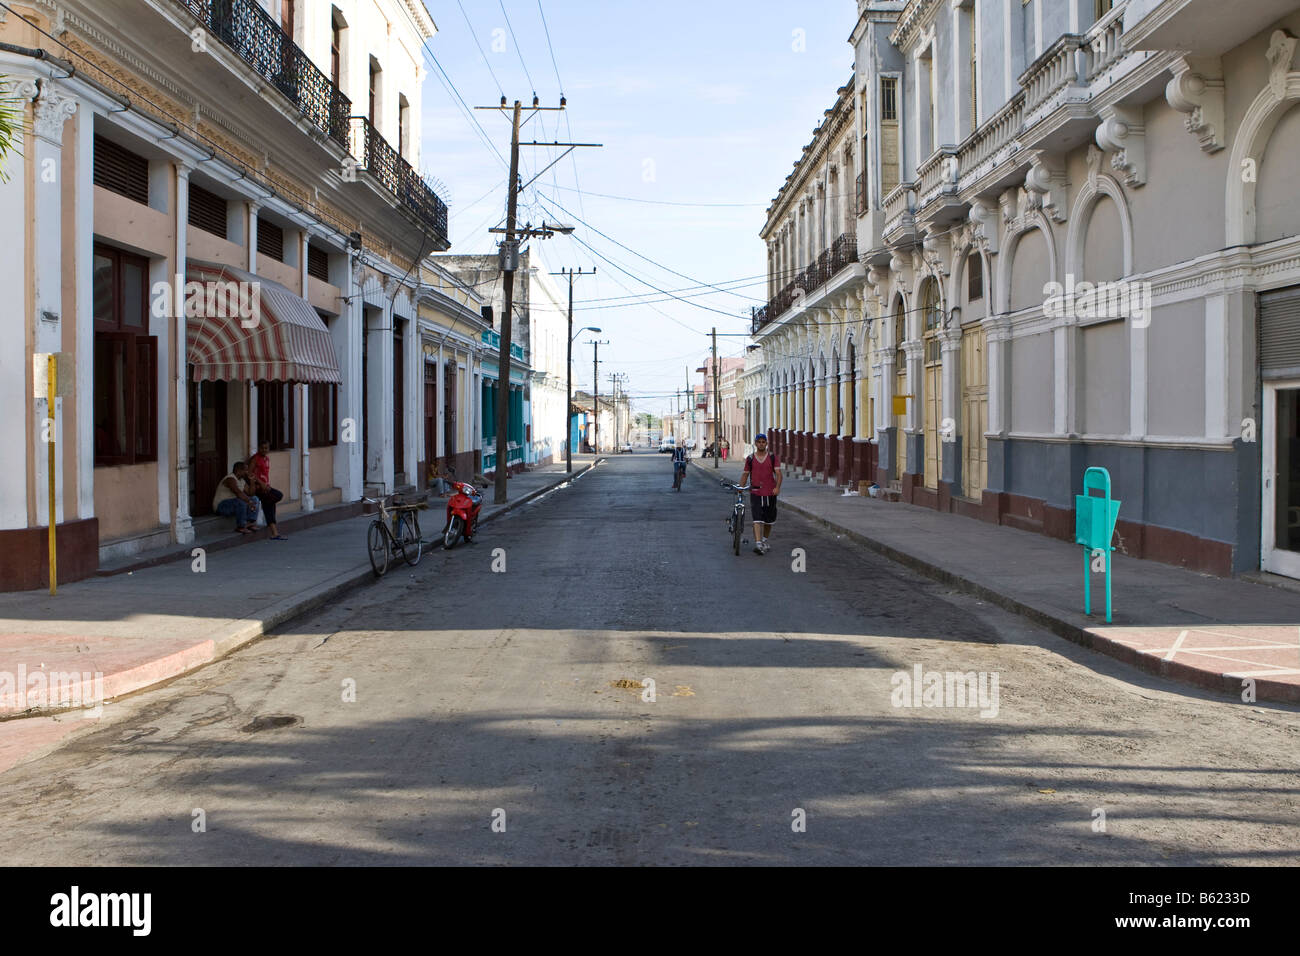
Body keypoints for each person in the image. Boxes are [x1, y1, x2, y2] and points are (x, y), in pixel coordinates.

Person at [740, 433, 782, 555]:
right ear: (756, 443)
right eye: (759, 442)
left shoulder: (773, 457)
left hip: (770, 493)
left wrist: (777, 488)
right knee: (757, 519)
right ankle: (758, 544)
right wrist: (740, 488)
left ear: (766, 443)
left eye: (763, 442)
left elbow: (779, 474)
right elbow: (745, 474)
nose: (761, 444)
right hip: (756, 492)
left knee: (769, 521)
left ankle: (764, 540)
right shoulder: (750, 459)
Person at [247, 440, 287, 540]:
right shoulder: (255, 459)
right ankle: (274, 532)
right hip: (257, 487)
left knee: (270, 502)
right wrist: (260, 483)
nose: (264, 450)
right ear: (259, 448)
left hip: (265, 487)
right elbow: (249, 473)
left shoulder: (266, 459)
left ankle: (274, 532)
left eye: (266, 448)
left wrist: (266, 484)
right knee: (276, 496)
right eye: (262, 448)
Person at [213, 461, 258, 535]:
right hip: (221, 506)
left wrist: (252, 481)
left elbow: (251, 493)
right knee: (240, 501)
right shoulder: (230, 479)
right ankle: (241, 526)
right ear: (239, 471)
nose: (247, 472)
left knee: (255, 498)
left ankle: (250, 523)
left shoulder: (242, 480)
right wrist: (249, 502)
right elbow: (238, 493)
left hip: (234, 504)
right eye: (245, 470)